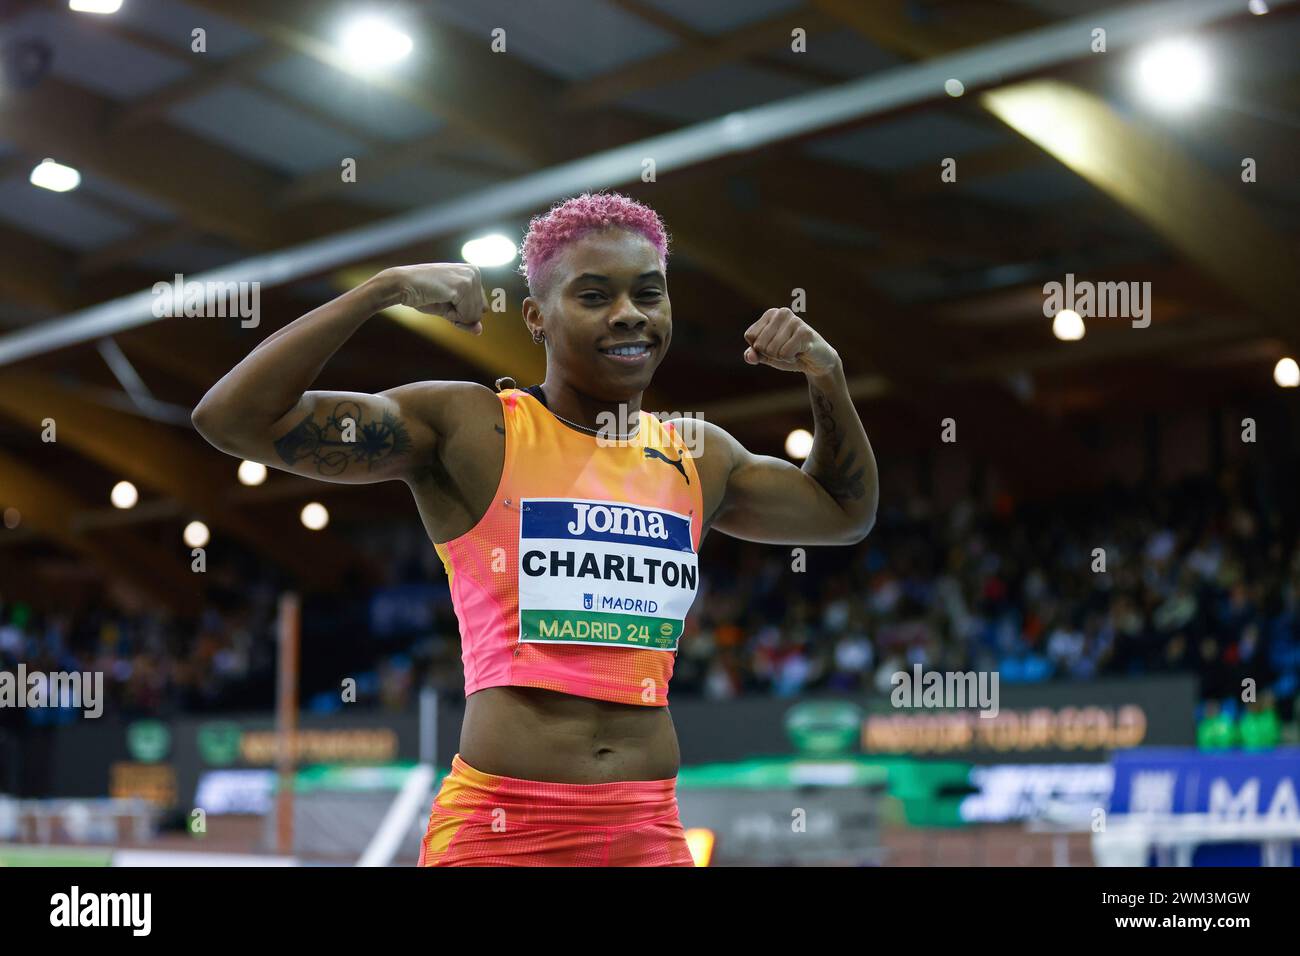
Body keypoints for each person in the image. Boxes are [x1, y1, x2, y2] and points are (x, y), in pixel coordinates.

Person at [192, 191, 878, 866]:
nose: (629, 316)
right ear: (536, 317)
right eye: (593, 296)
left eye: (648, 293)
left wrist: (828, 377)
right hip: (504, 832)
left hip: (647, 831)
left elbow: (843, 515)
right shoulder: (476, 430)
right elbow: (232, 418)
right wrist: (381, 290)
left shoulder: (697, 454)